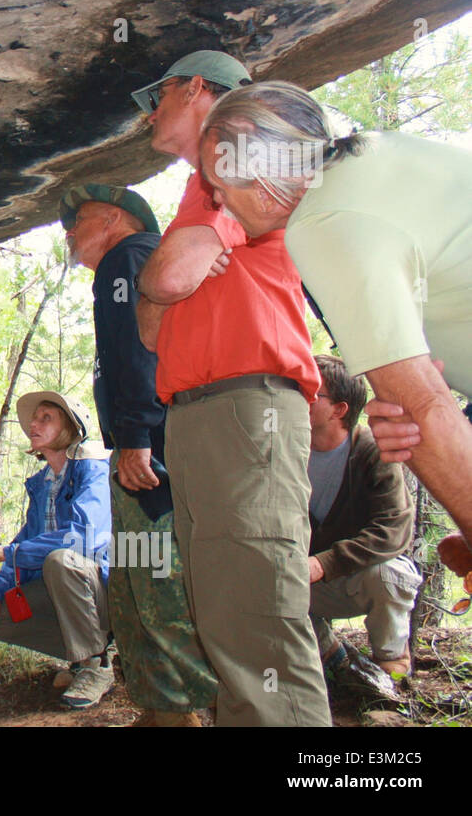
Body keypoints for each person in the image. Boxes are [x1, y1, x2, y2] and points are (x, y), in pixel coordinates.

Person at [132, 51, 331, 726]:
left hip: (247, 407)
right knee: (223, 611)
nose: (148, 113)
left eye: (155, 96)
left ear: (194, 89)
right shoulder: (203, 188)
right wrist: (172, 270)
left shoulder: (247, 160)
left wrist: (175, 267)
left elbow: (164, 281)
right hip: (201, 414)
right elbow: (154, 323)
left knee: (256, 615)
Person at [198, 80, 472, 544]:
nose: (218, 202)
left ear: (263, 177)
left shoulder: (323, 222)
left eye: (219, 185)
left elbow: (421, 408)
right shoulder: (378, 155)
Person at [61, 183, 217, 726]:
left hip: (152, 452)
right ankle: (159, 708)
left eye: (79, 220)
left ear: (113, 218)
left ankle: (182, 711)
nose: (71, 233)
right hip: (151, 445)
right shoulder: (136, 261)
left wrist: (135, 439)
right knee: (132, 577)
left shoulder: (128, 257)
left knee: (155, 578)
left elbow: (136, 353)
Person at [0, 392, 116, 710]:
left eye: (46, 417)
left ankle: (97, 664)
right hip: (73, 589)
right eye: (34, 418)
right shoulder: (42, 484)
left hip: (108, 594)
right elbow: (25, 542)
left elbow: (86, 539)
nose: (33, 424)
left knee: (60, 560)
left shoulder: (92, 471)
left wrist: (9, 552)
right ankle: (80, 660)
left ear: (70, 428)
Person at [305, 356, 419, 679]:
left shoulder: (372, 451)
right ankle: (333, 659)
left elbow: (393, 530)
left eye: (312, 391)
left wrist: (323, 563)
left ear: (339, 410)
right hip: (310, 581)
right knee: (264, 581)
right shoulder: (287, 449)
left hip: (359, 575)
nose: (300, 395)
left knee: (387, 574)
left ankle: (392, 665)